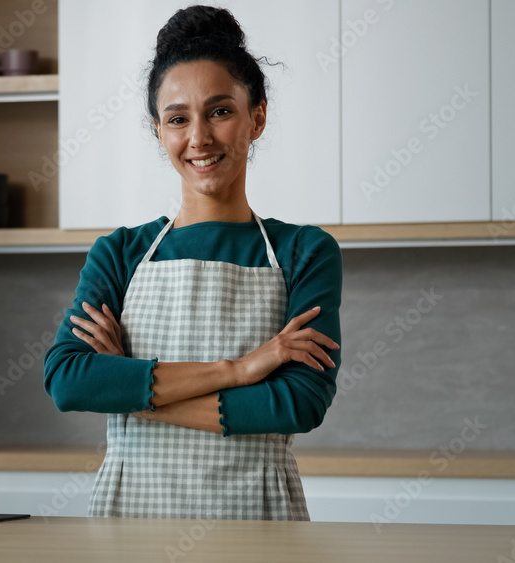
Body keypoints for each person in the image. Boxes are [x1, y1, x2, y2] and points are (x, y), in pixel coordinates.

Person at [43, 4, 342, 521]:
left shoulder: (304, 251)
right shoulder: (118, 253)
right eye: (178, 118)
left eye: (221, 111)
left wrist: (130, 389)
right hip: (129, 520)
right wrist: (244, 369)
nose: (199, 137)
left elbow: (298, 403)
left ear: (258, 117)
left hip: (258, 519)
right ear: (159, 131)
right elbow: (69, 379)